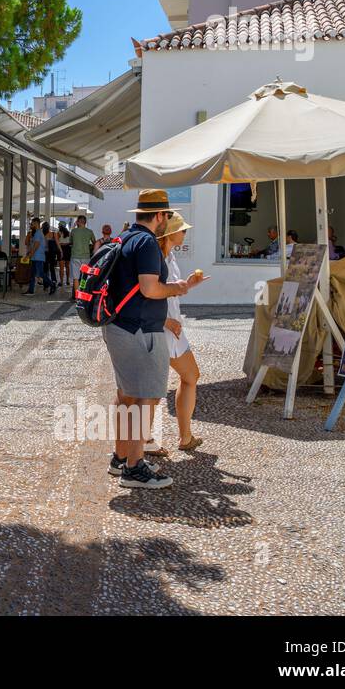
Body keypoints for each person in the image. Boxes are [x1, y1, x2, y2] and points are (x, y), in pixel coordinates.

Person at [102, 190, 206, 490]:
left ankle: (120, 458)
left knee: (127, 395)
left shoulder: (124, 238)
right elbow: (150, 289)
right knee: (147, 396)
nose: (169, 221)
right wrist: (179, 288)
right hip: (141, 330)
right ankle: (134, 468)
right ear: (159, 216)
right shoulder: (147, 242)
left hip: (117, 326)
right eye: (167, 216)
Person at [158, 213, 205, 453]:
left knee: (190, 376)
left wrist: (188, 284)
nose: (185, 233)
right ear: (169, 233)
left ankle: (185, 437)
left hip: (171, 329)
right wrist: (166, 320)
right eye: (182, 229)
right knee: (151, 390)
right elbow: (147, 294)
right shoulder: (157, 259)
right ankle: (144, 443)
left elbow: (171, 291)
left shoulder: (170, 256)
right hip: (161, 329)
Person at [70, 215, 96, 294]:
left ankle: (77, 296)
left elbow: (71, 241)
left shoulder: (73, 231)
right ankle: (83, 293)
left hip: (75, 256)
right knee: (84, 277)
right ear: (85, 222)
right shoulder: (90, 231)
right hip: (86, 257)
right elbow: (95, 242)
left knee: (76, 278)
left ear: (78, 222)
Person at [41, 221, 60, 295]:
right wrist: (60, 251)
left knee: (45, 269)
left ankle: (46, 284)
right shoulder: (53, 234)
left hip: (44, 253)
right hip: (52, 253)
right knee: (52, 269)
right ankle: (53, 282)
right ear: (49, 227)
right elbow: (57, 243)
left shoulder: (41, 234)